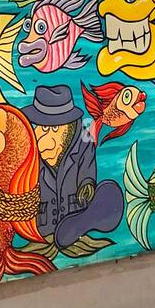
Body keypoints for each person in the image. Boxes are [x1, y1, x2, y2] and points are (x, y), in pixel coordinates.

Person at [24, 85, 123, 249]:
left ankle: (78, 225)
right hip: (43, 224)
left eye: (54, 128)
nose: (44, 138)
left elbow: (87, 166)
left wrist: (87, 184)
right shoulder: (28, 148)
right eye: (41, 127)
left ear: (68, 128)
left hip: (72, 214)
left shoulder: (83, 141)